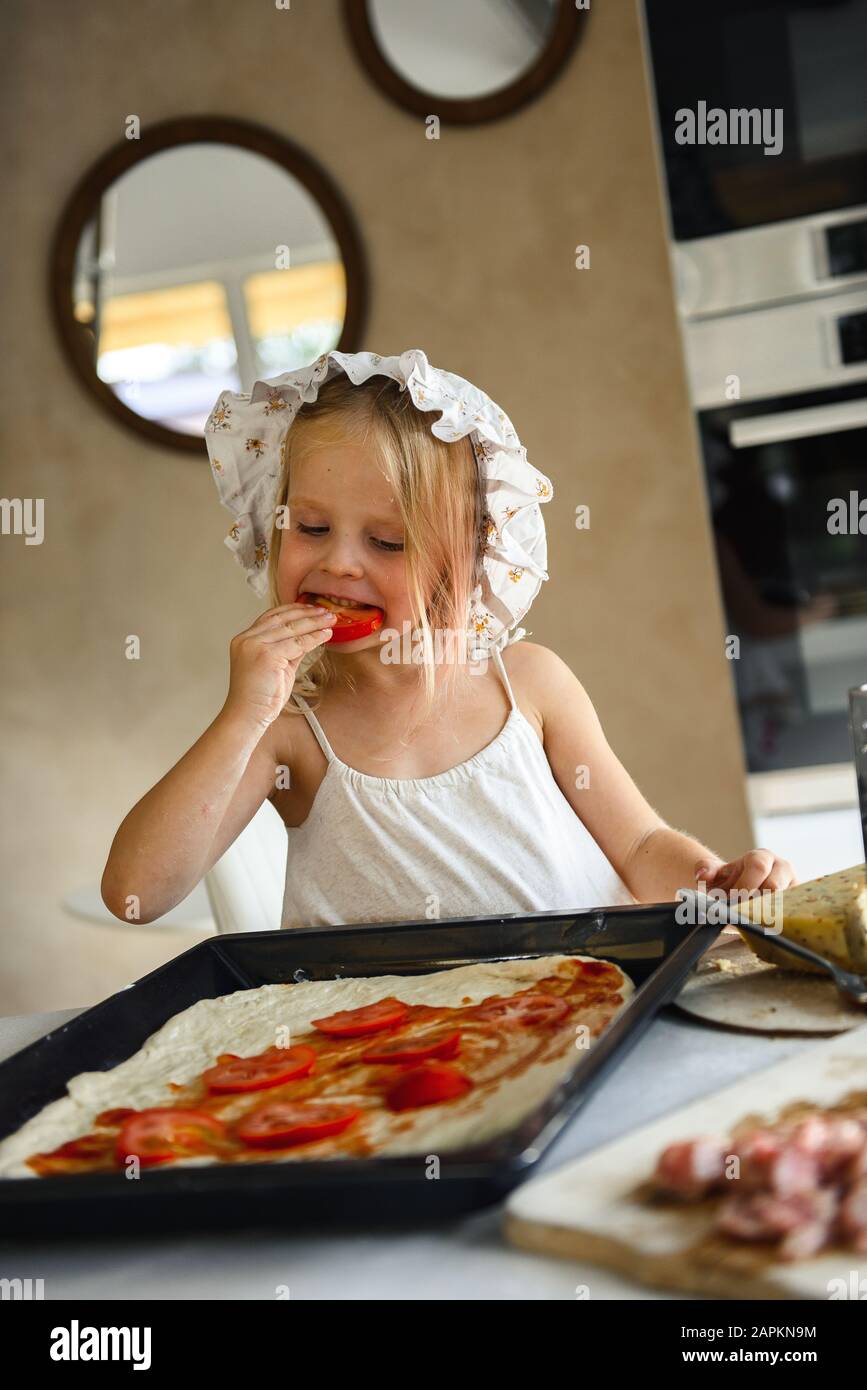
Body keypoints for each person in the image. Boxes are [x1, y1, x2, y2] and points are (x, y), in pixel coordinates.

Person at [101, 349, 796, 929]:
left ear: (464, 563)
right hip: (397, 1061)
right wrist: (241, 713)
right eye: (310, 529)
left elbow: (641, 846)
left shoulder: (528, 684)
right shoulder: (288, 733)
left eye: (384, 541)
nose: (339, 562)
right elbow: (136, 894)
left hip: (579, 1007)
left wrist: (711, 884)